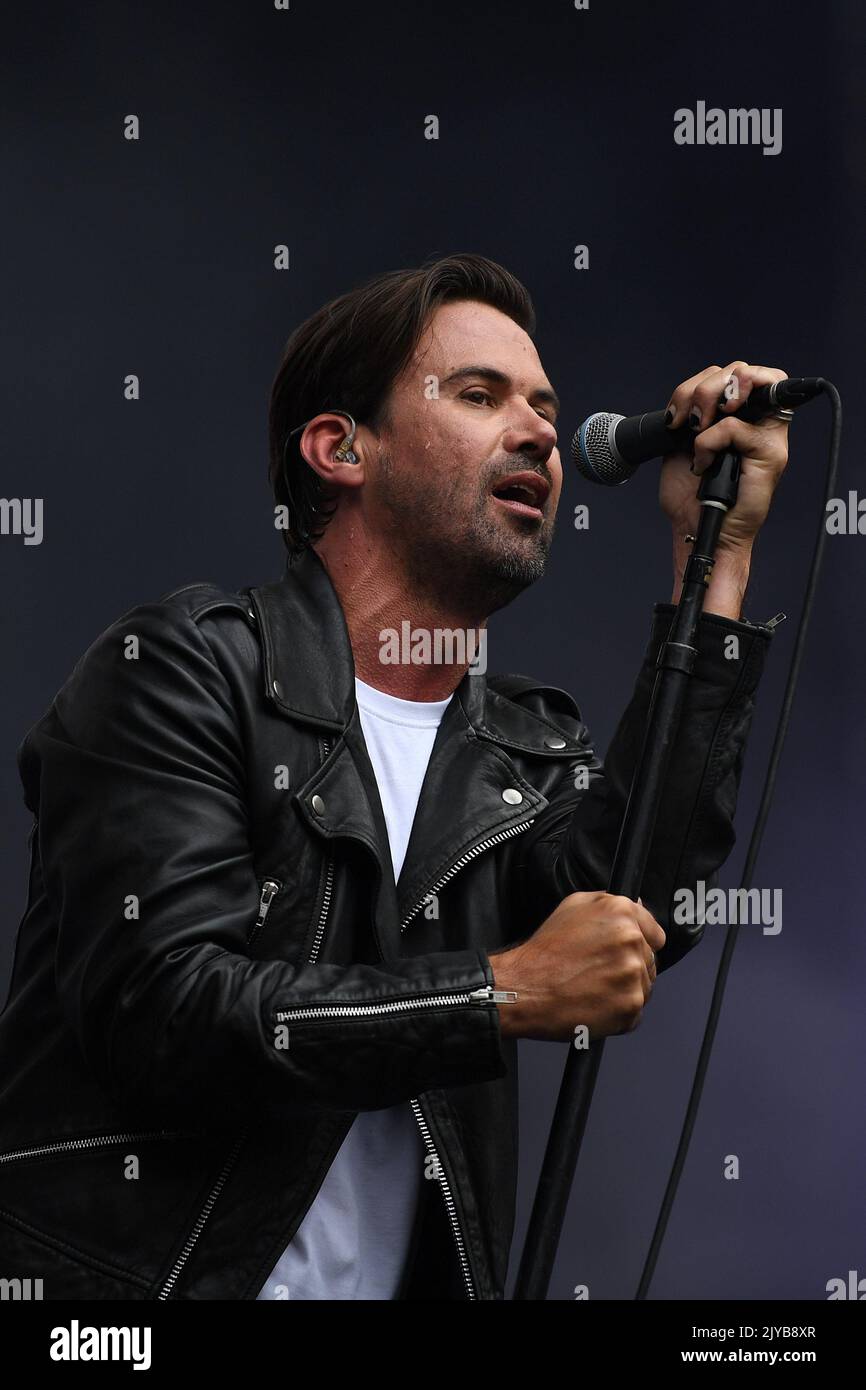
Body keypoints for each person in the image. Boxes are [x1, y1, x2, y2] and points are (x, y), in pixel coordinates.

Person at [0, 253, 788, 1300]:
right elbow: (166, 1010)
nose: (541, 432)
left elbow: (629, 914)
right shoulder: (188, 670)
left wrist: (714, 552)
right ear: (339, 447)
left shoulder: (519, 750)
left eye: (546, 407)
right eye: (478, 394)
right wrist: (497, 989)